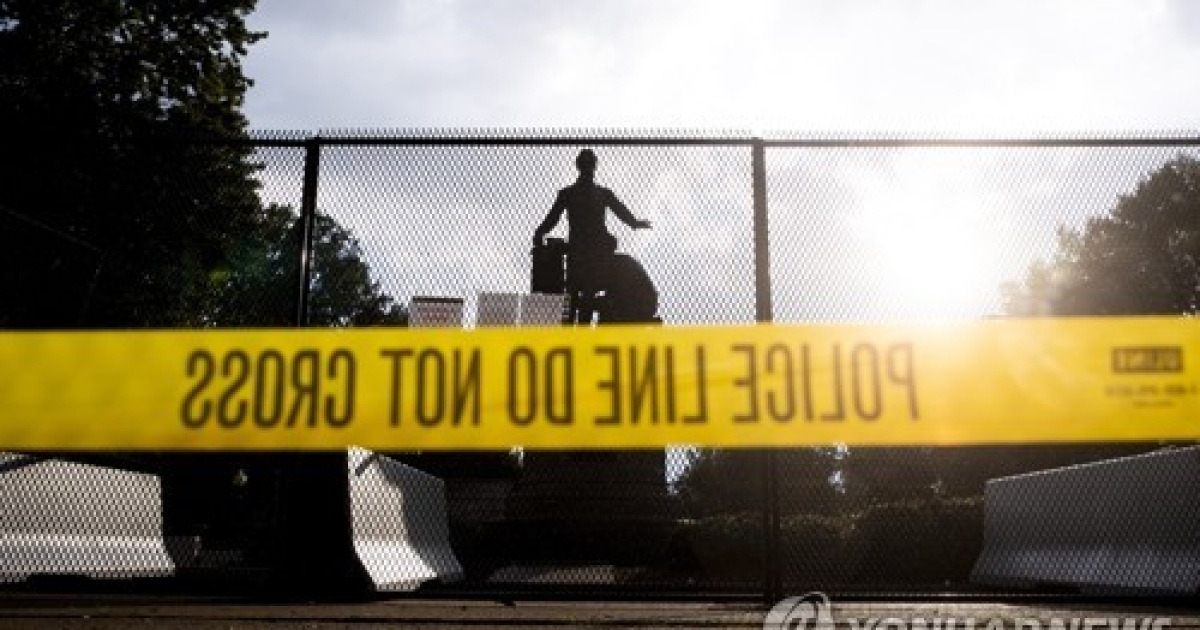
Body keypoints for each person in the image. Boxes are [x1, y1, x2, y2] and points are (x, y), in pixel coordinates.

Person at [533, 149, 651, 323]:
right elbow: (553, 217)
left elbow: (620, 209)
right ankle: (571, 331)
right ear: (580, 166)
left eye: (590, 164)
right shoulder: (568, 193)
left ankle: (581, 332)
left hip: (596, 250)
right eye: (585, 164)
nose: (588, 167)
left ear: (594, 166)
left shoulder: (602, 193)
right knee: (573, 293)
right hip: (579, 250)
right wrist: (540, 231)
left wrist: (634, 222)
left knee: (586, 290)